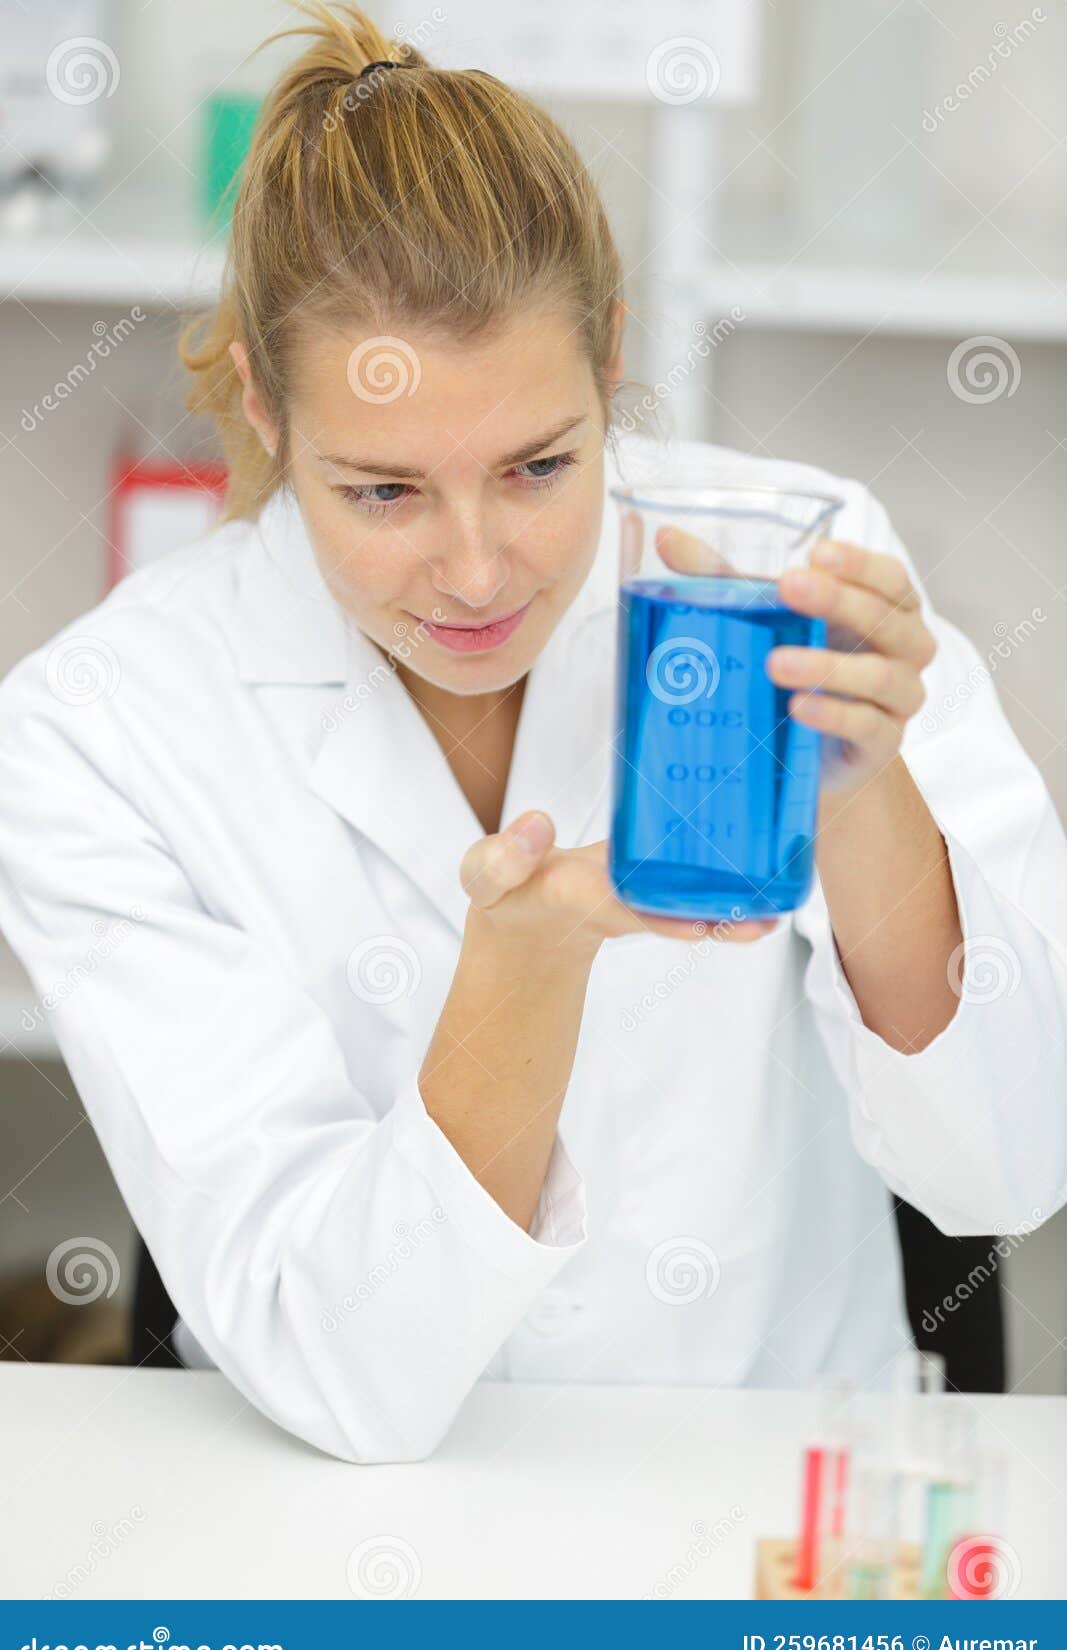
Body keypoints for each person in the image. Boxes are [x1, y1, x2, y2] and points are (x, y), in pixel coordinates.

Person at [0, 2, 1063, 1465]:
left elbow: (1009, 1165)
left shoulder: (793, 577)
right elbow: (343, 1372)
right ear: (261, 401)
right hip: (337, 1522)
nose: (482, 568)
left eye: (541, 465)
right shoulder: (100, 732)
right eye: (385, 492)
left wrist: (871, 798)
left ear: (611, 359)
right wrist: (526, 960)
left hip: (776, 1502)